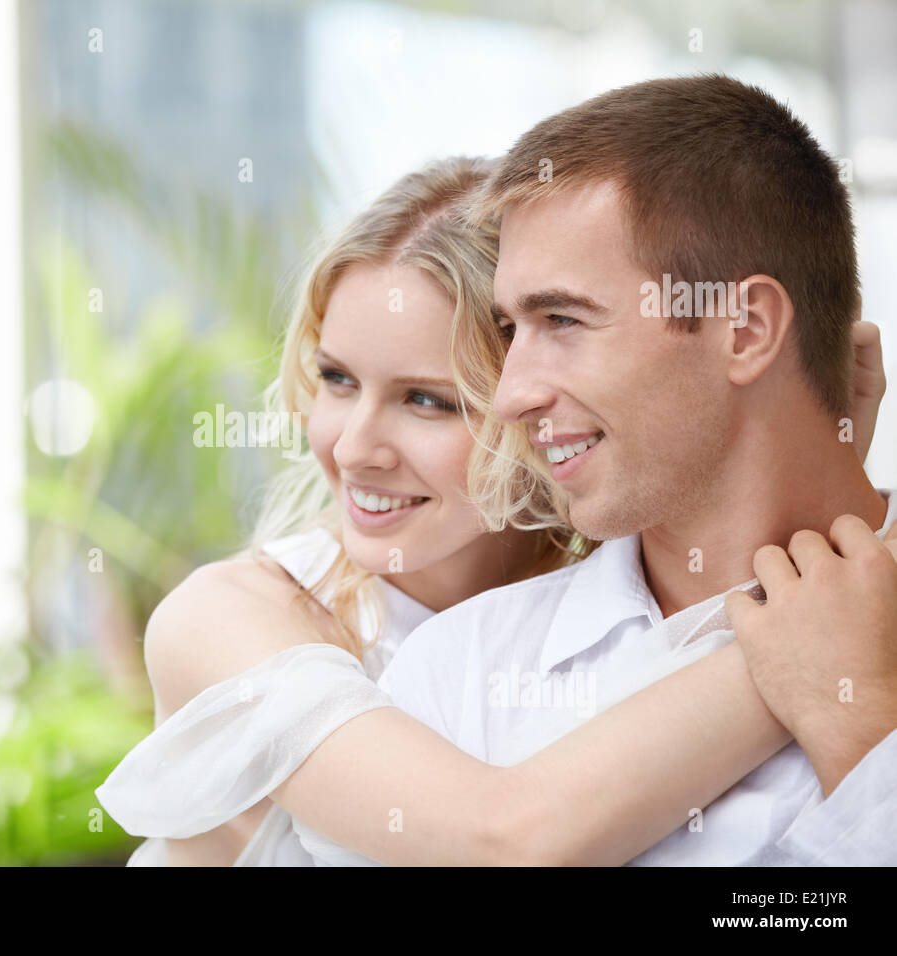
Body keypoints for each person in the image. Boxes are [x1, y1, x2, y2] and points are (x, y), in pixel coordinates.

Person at [95, 150, 892, 865]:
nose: (352, 446)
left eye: (428, 402)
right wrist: (826, 627)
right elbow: (504, 838)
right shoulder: (230, 620)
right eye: (336, 379)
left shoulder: (603, 597)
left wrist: (795, 452)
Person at [334, 74, 897, 866]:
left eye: (562, 319)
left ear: (744, 330)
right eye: (510, 327)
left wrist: (867, 740)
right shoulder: (459, 673)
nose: (511, 395)